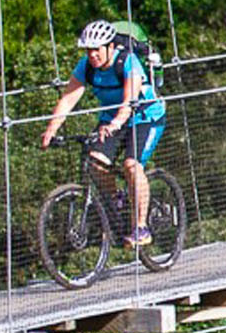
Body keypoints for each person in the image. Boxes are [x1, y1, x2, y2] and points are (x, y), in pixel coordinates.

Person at [38, 16, 164, 250]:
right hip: (111, 119)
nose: (92, 55)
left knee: (131, 166)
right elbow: (68, 100)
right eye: (88, 50)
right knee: (95, 162)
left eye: (97, 50)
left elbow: (129, 102)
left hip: (145, 116)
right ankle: (118, 200)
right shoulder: (86, 66)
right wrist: (50, 130)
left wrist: (115, 124)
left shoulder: (128, 62)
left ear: (110, 47)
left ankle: (141, 228)